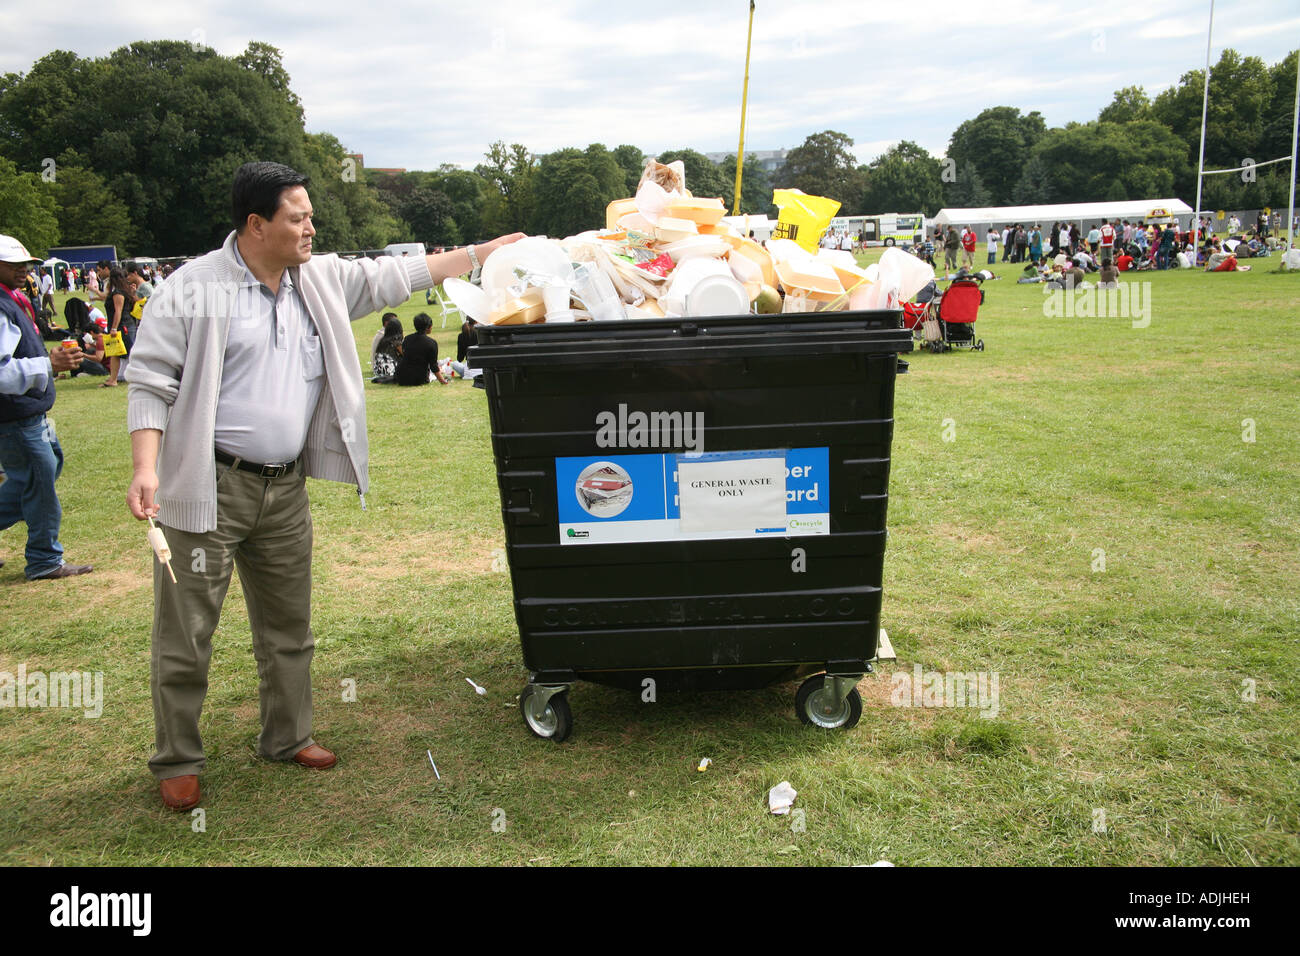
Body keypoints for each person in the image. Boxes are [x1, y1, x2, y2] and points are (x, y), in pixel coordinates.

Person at [123, 161, 523, 811]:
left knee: (289, 625)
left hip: (283, 492)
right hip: (207, 489)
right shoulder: (194, 288)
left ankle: (287, 736)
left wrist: (481, 253)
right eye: (298, 217)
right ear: (257, 225)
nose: (311, 228)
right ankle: (178, 758)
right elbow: (150, 381)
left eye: (311, 216)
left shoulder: (319, 279)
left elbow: (395, 275)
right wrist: (147, 468)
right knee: (188, 630)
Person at [0, 234, 94, 580]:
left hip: (25, 414)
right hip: (17, 417)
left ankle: (43, 557)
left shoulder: (10, 300)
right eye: (13, 264)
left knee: (41, 475)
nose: (24, 269)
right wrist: (48, 365)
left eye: (26, 263)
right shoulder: (1, 305)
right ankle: (43, 559)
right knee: (39, 485)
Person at [101, 266, 136, 387]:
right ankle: (113, 379)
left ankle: (115, 379)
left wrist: (114, 328)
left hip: (122, 326)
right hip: (124, 325)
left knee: (131, 353)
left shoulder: (118, 293)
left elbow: (118, 311)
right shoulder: (122, 291)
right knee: (114, 353)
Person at [395, 312, 448, 385]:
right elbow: (434, 366)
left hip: (401, 377)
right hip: (419, 379)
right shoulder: (431, 343)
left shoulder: (407, 339)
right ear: (428, 327)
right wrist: (443, 381)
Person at [371, 317, 403, 384]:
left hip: (378, 369)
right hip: (389, 369)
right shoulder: (396, 341)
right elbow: (405, 355)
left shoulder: (383, 340)